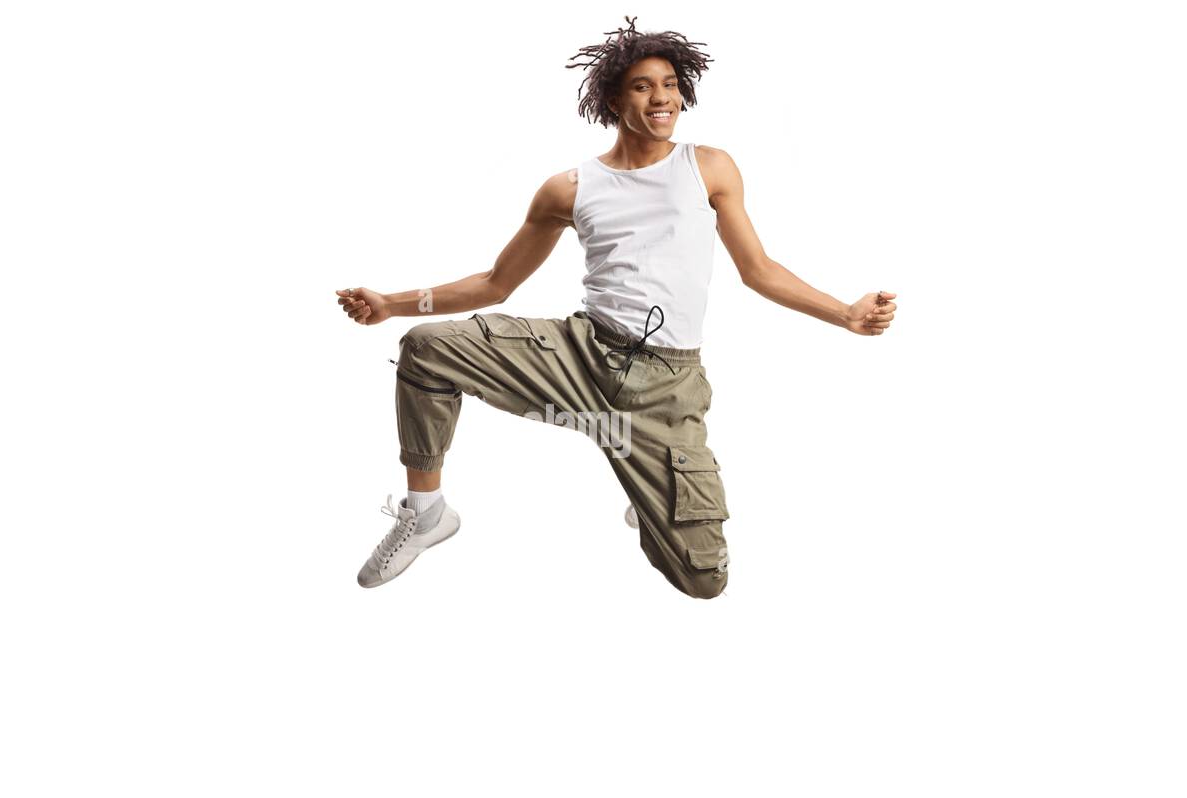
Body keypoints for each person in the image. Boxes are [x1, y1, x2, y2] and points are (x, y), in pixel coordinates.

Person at [336, 16, 897, 598]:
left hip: (665, 386)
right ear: (612, 97)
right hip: (582, 353)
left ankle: (640, 479)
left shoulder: (708, 167)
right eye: (643, 86)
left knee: (704, 580)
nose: (663, 98)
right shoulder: (570, 189)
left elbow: (759, 271)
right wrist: (392, 305)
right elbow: (496, 283)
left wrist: (846, 314)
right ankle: (426, 513)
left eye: (671, 83)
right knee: (426, 350)